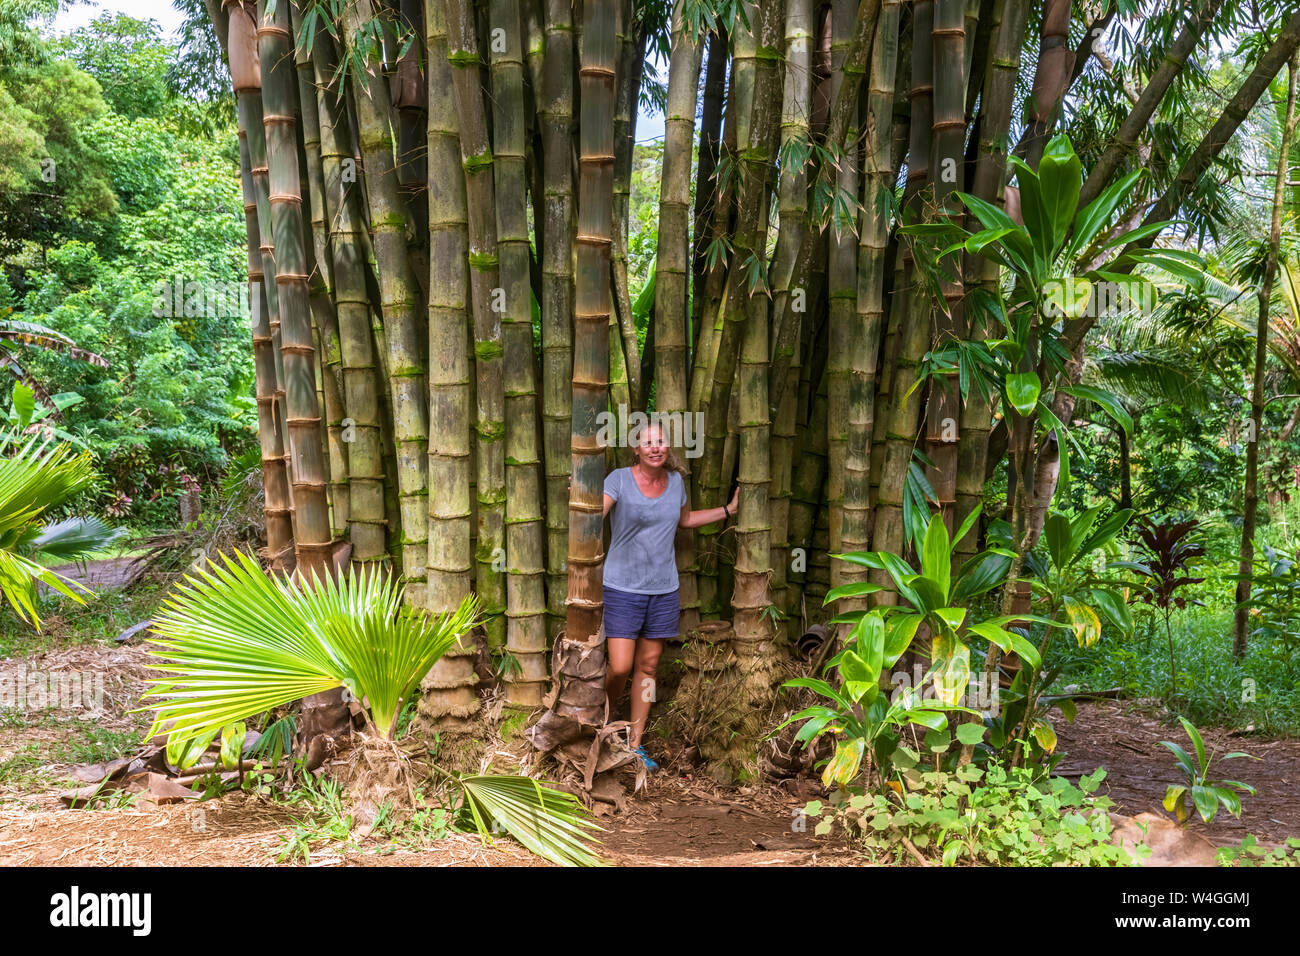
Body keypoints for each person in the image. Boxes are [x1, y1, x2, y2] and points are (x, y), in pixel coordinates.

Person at [601, 423, 738, 770]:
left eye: (660, 441)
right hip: (622, 587)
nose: (654, 447)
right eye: (647, 442)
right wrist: (580, 496)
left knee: (648, 667)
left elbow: (685, 519)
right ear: (636, 449)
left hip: (663, 590)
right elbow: (592, 514)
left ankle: (634, 744)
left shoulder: (675, 482)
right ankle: (599, 724)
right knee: (619, 666)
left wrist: (727, 511)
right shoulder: (618, 479)